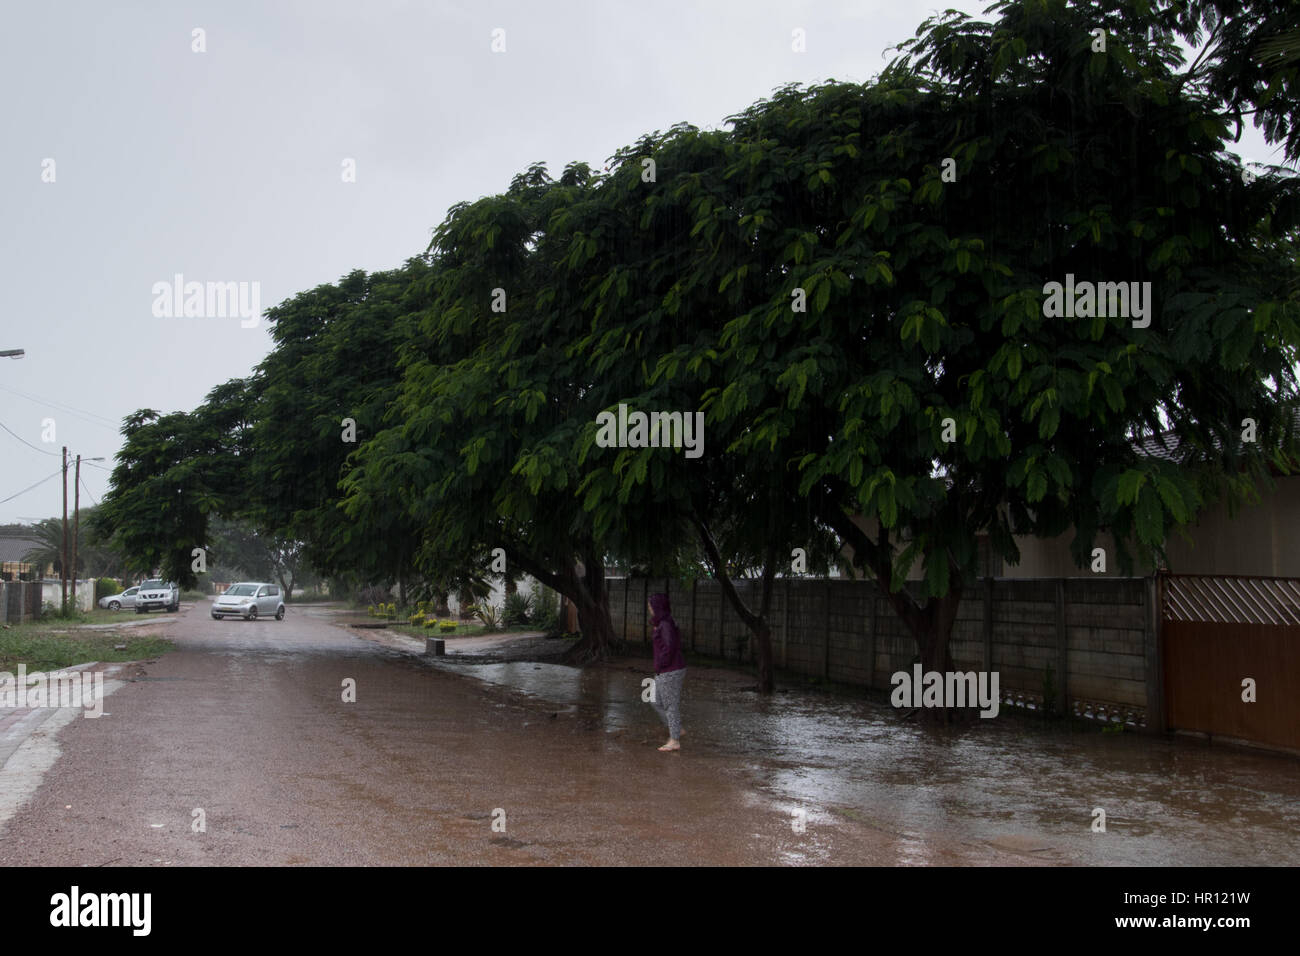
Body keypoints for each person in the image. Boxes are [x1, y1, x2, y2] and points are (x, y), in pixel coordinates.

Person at [647, 592, 686, 752]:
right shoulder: (662, 623)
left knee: (671, 705)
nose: (649, 608)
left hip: (670, 670)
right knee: (653, 699)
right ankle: (677, 729)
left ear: (657, 607)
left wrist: (661, 664)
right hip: (665, 669)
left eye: (651, 605)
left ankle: (674, 739)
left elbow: (669, 647)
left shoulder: (665, 624)